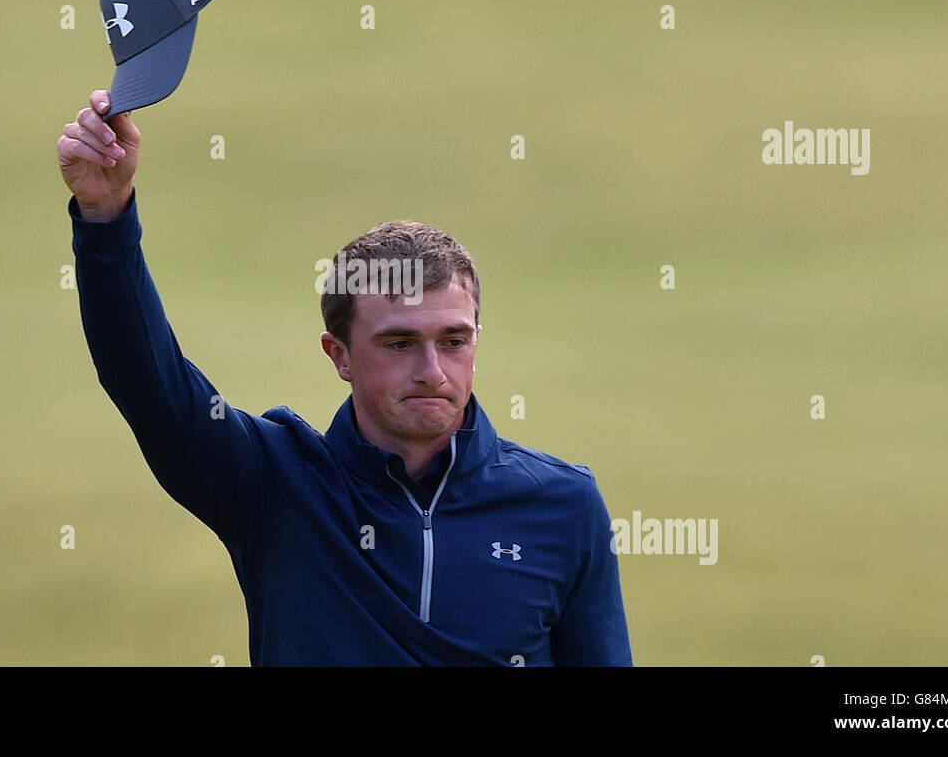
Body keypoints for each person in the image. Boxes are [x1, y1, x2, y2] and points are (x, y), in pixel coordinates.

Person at [57, 89, 633, 666]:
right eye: (400, 343)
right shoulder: (273, 486)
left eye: (453, 342)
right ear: (340, 355)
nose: (433, 372)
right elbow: (145, 378)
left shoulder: (563, 504)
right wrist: (106, 216)